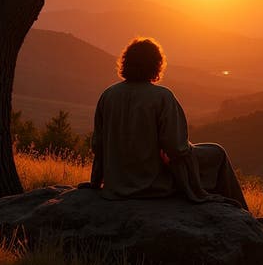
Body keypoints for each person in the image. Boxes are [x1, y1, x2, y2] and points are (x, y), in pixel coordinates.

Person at [89, 36, 249, 210]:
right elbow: (176, 148)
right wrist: (184, 158)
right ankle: (243, 215)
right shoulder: (162, 97)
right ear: (156, 65)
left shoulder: (108, 95)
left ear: (126, 62)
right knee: (217, 152)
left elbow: (97, 144)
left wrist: (98, 181)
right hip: (152, 185)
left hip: (116, 186)